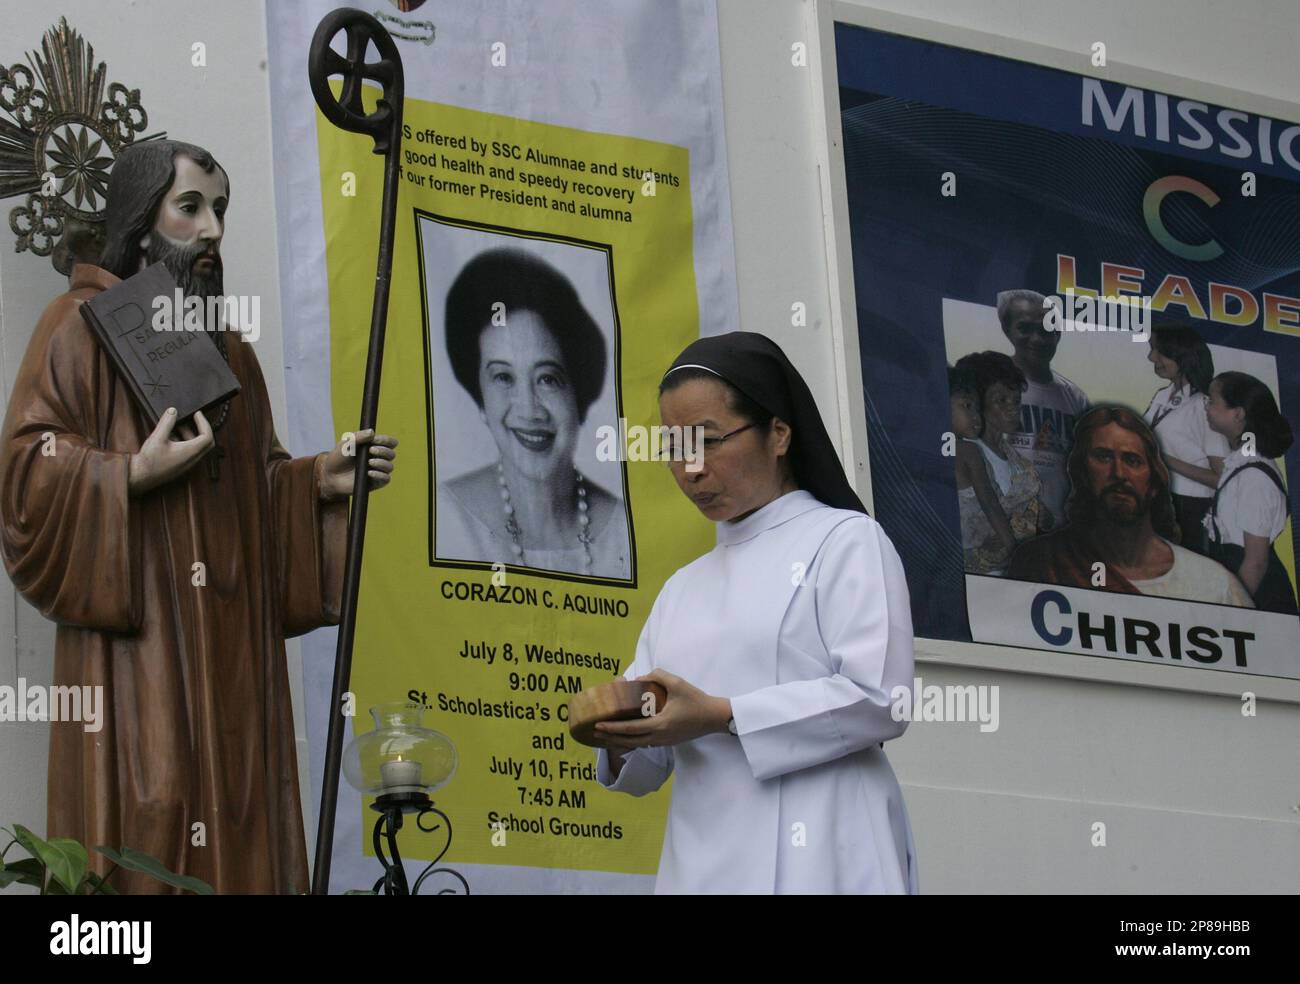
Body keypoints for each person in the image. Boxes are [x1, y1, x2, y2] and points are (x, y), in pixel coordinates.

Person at [0, 140, 399, 893]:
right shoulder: (76, 326)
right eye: (190, 207)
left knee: (242, 815)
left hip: (232, 653)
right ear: (139, 221)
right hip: (139, 651)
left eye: (220, 210)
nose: (213, 229)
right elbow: (26, 476)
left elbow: (262, 485)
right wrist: (127, 475)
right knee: (149, 807)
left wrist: (319, 480)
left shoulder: (231, 355)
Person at [592, 331, 918, 894]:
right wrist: (619, 734)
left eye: (708, 440)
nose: (690, 469)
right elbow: (649, 768)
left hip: (826, 849)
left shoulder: (844, 540)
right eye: (674, 447)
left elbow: (882, 699)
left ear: (779, 434)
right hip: (703, 864)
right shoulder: (681, 589)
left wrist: (722, 714)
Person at [436, 248, 630, 578]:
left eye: (548, 379)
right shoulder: (445, 517)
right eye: (503, 377)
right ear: (480, 397)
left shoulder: (623, 529)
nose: (529, 409)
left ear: (579, 393)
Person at [1007, 406, 1252, 606]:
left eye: (1133, 461)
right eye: (1103, 457)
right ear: (1082, 472)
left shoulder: (1214, 584)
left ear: (1154, 482)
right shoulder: (1041, 561)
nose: (1119, 474)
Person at [1203, 372, 1297, 614]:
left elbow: (1256, 562)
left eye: (1212, 401)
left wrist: (1230, 616)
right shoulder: (1240, 463)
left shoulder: (1254, 476)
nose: (1206, 407)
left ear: (1238, 414)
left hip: (1259, 600)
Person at [997, 288, 1090, 529]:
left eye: (1046, 330)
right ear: (1007, 330)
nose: (1037, 339)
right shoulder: (988, 385)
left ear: (1058, 335)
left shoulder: (1075, 398)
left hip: (1059, 530)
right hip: (1002, 527)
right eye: (1025, 328)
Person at [952, 352, 1051, 574]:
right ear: (977, 403)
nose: (1013, 408)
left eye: (1016, 400)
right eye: (1001, 400)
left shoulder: (1018, 462)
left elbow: (1038, 518)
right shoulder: (964, 454)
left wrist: (1042, 518)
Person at [1142, 324, 1227, 555]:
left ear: (1181, 355)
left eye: (1159, 351)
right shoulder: (1163, 395)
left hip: (1190, 511)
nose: (1151, 357)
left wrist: (1164, 461)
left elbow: (1221, 479)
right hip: (1161, 502)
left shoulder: (1204, 405)